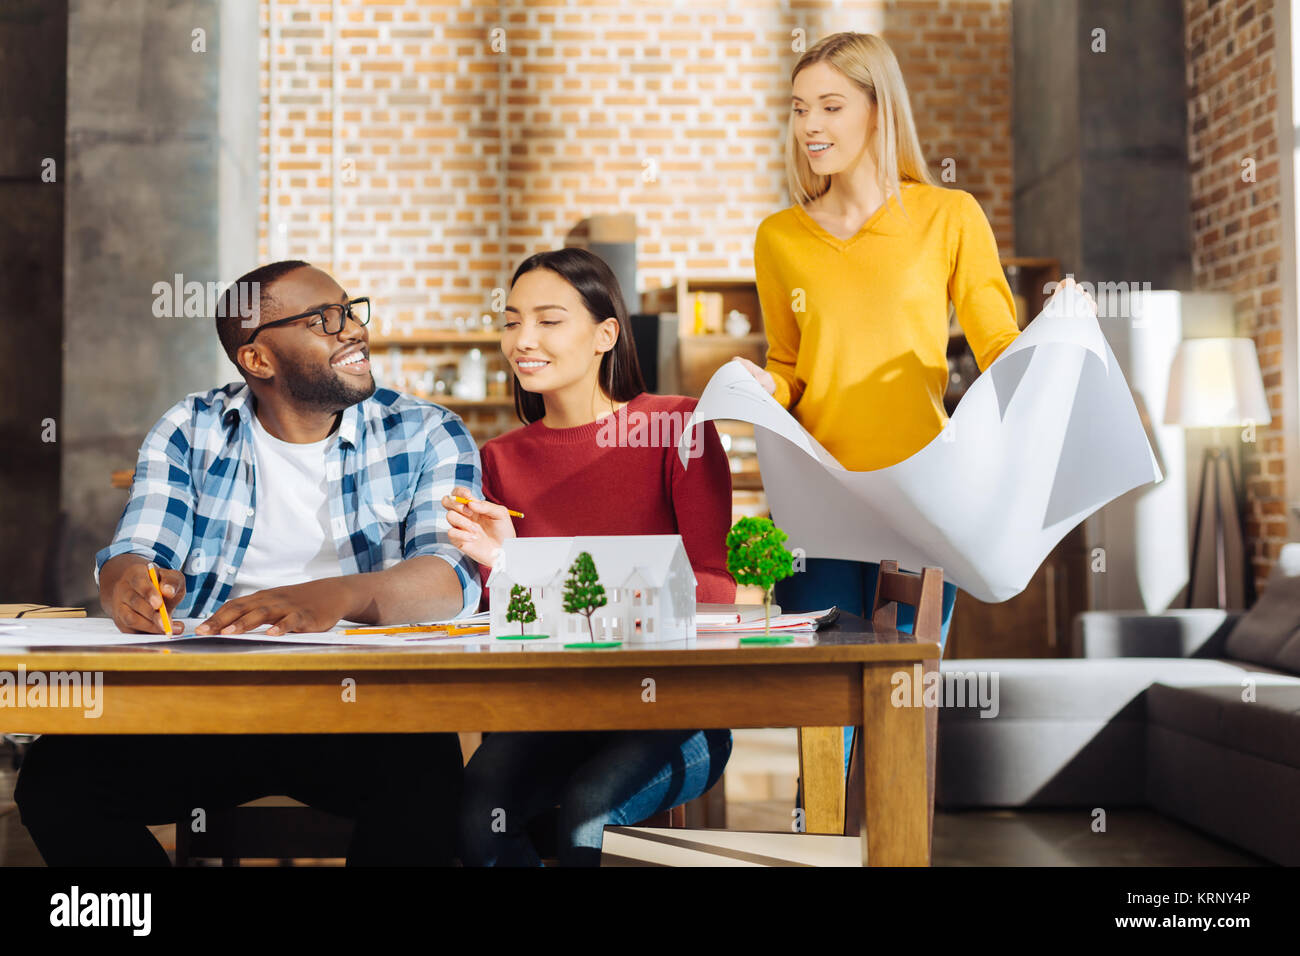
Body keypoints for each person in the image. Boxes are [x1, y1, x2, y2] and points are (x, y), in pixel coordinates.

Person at [14, 260, 480, 866]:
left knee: (430, 786)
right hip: (210, 706)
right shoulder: (192, 428)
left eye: (350, 310)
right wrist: (129, 583)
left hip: (366, 710)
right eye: (324, 320)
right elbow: (137, 554)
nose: (353, 330)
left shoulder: (426, 432)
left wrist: (333, 597)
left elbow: (449, 579)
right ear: (258, 360)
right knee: (56, 783)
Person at [733, 32, 1095, 766]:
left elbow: (999, 345)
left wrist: (1061, 333)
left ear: (879, 111)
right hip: (820, 500)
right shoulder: (780, 238)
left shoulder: (947, 217)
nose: (810, 126)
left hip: (925, 500)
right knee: (824, 715)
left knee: (897, 709)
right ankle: (822, 844)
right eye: (800, 108)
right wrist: (754, 387)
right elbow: (790, 367)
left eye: (831, 106)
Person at [444, 247, 735, 866]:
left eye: (549, 320)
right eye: (512, 321)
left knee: (588, 808)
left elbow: (713, 588)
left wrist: (531, 570)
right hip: (552, 709)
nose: (524, 339)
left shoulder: (679, 427)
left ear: (606, 334)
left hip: (675, 712)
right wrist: (505, 563)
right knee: (473, 810)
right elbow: (503, 617)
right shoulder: (500, 459)